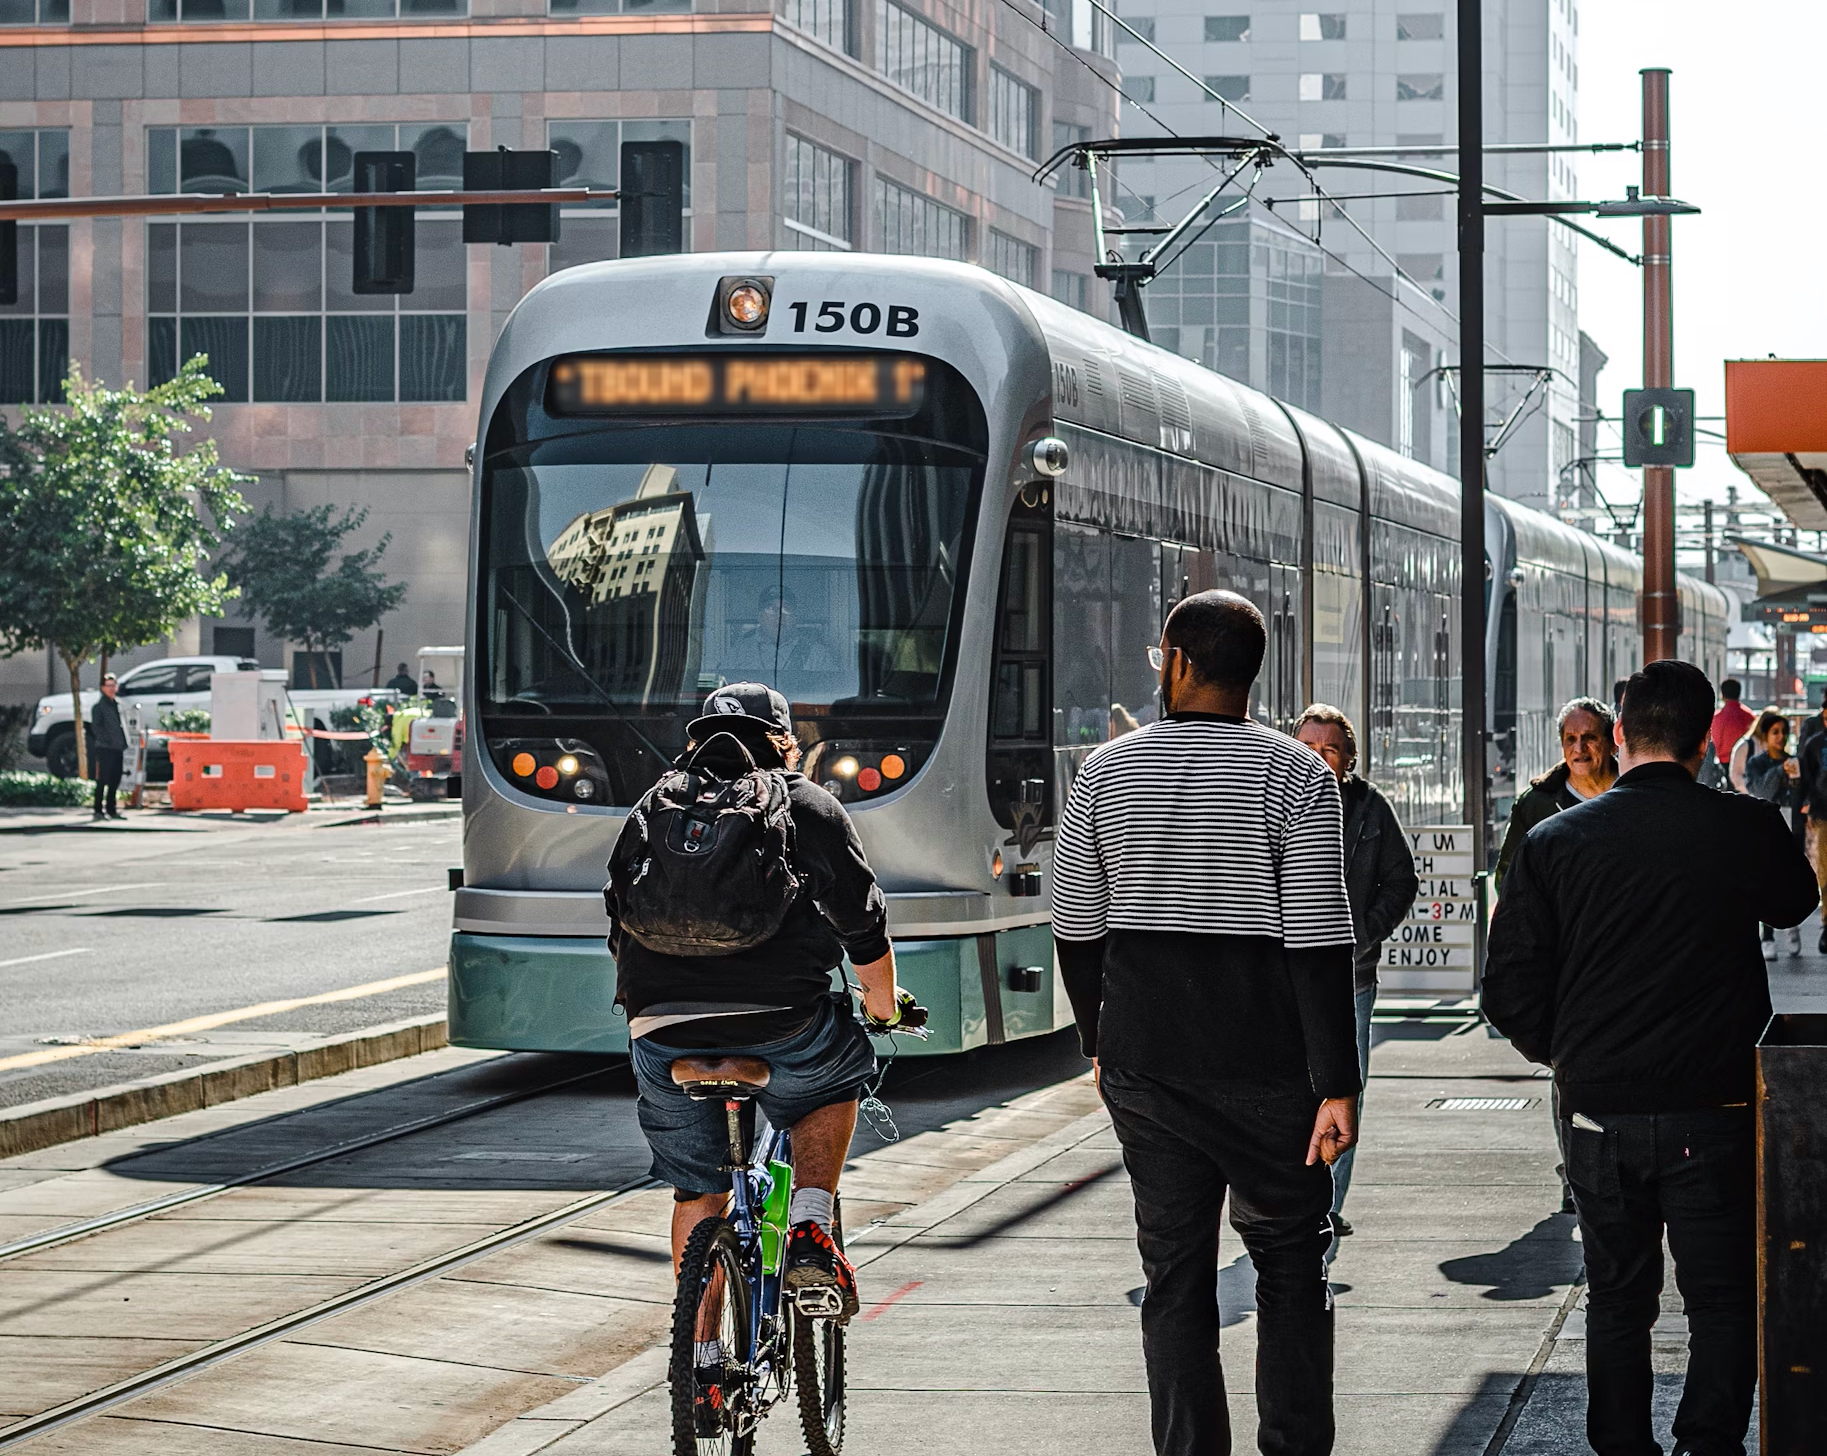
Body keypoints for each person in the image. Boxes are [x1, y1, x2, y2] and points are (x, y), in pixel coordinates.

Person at [1483, 659, 1818, 1456]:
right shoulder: (1738, 827)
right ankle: (1708, 1442)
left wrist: (1565, 1052)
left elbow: (1507, 989)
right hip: (1718, 1103)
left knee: (1617, 1298)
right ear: (1706, 742)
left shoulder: (1552, 841)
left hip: (1600, 1107)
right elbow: (1797, 900)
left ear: (1621, 737)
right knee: (1722, 1298)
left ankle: (1622, 1446)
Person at [1053, 590, 1360, 1456]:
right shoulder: (1296, 775)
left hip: (1150, 1066)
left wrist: (1097, 1040)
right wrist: (1336, 1082)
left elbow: (1076, 926)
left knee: (1174, 1276)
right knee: (1289, 1263)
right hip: (1272, 1069)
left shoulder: (1102, 774)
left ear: (1178, 662)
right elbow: (1317, 937)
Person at [607, 682, 899, 1319]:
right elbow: (862, 924)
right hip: (782, 1024)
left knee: (696, 1192)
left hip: (661, 1029)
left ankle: (703, 1354)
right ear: (787, 745)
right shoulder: (805, 805)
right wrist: (881, 1008)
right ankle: (813, 1228)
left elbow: (618, 916)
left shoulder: (653, 806)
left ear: (695, 744)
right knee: (833, 1083)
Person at [1292, 703, 1417, 1247]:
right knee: (1288, 1090)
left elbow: (1401, 880)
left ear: (1349, 759)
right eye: (1309, 746)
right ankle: (1293, 1195)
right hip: (1285, 979)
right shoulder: (1272, 801)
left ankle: (1328, 1204)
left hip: (1351, 979)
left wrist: (1361, 933)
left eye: (1331, 749)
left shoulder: (1369, 808)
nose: (1319, 757)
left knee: (1344, 1088)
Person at [1494, 697, 1619, 890]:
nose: (1579, 748)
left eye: (1590, 737)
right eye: (1571, 739)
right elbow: (1509, 880)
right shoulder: (1534, 806)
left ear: (1613, 744)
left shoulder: (1637, 797)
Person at [1744, 708, 1803, 959]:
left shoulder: (1794, 761)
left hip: (1792, 825)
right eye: (1775, 732)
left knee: (1789, 877)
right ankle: (1767, 935)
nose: (1780, 737)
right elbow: (1761, 791)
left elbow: (1801, 795)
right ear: (1765, 735)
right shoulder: (1757, 763)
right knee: (1766, 878)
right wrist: (1781, 772)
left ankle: (1792, 924)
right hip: (1764, 825)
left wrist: (1796, 780)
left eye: (1783, 732)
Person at [90, 673, 127, 821]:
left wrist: (123, 742)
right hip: (105, 748)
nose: (112, 689)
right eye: (109, 686)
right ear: (102, 688)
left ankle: (112, 809)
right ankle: (98, 810)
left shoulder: (117, 705)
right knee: (103, 779)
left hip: (118, 748)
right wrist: (108, 741)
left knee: (115, 779)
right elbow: (96, 728)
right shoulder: (99, 707)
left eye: (114, 685)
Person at [1704, 679, 1754, 790]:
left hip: (1725, 764)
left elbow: (1715, 744)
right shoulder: (1749, 716)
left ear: (1722, 694)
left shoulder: (1717, 718)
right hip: (1746, 764)